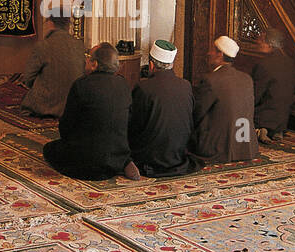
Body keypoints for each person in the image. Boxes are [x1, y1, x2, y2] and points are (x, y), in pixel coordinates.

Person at [43, 42, 137, 180]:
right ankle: (124, 162)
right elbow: (127, 122)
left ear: (94, 64)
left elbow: (66, 127)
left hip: (84, 164)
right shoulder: (123, 84)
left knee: (49, 149)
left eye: (88, 57)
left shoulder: (81, 85)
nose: (85, 60)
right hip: (115, 158)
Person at [128, 39, 195, 177]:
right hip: (179, 157)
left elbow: (133, 125)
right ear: (171, 65)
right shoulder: (186, 85)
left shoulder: (143, 87)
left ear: (151, 65)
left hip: (150, 159)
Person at [191, 35, 258, 165]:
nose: (208, 53)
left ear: (220, 54)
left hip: (219, 148)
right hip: (245, 146)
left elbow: (196, 113)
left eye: (212, 50)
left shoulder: (211, 80)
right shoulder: (246, 78)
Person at [19, 13, 86, 117]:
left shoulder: (44, 45)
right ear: (68, 25)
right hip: (72, 105)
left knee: (27, 102)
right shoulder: (79, 45)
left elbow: (28, 78)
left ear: (50, 23)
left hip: (46, 105)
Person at [251, 29, 295, 143]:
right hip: (283, 119)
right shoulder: (290, 62)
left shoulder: (263, 64)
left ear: (270, 44)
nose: (257, 42)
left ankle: (260, 129)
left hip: (264, 116)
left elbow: (255, 96)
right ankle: (274, 130)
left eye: (261, 40)